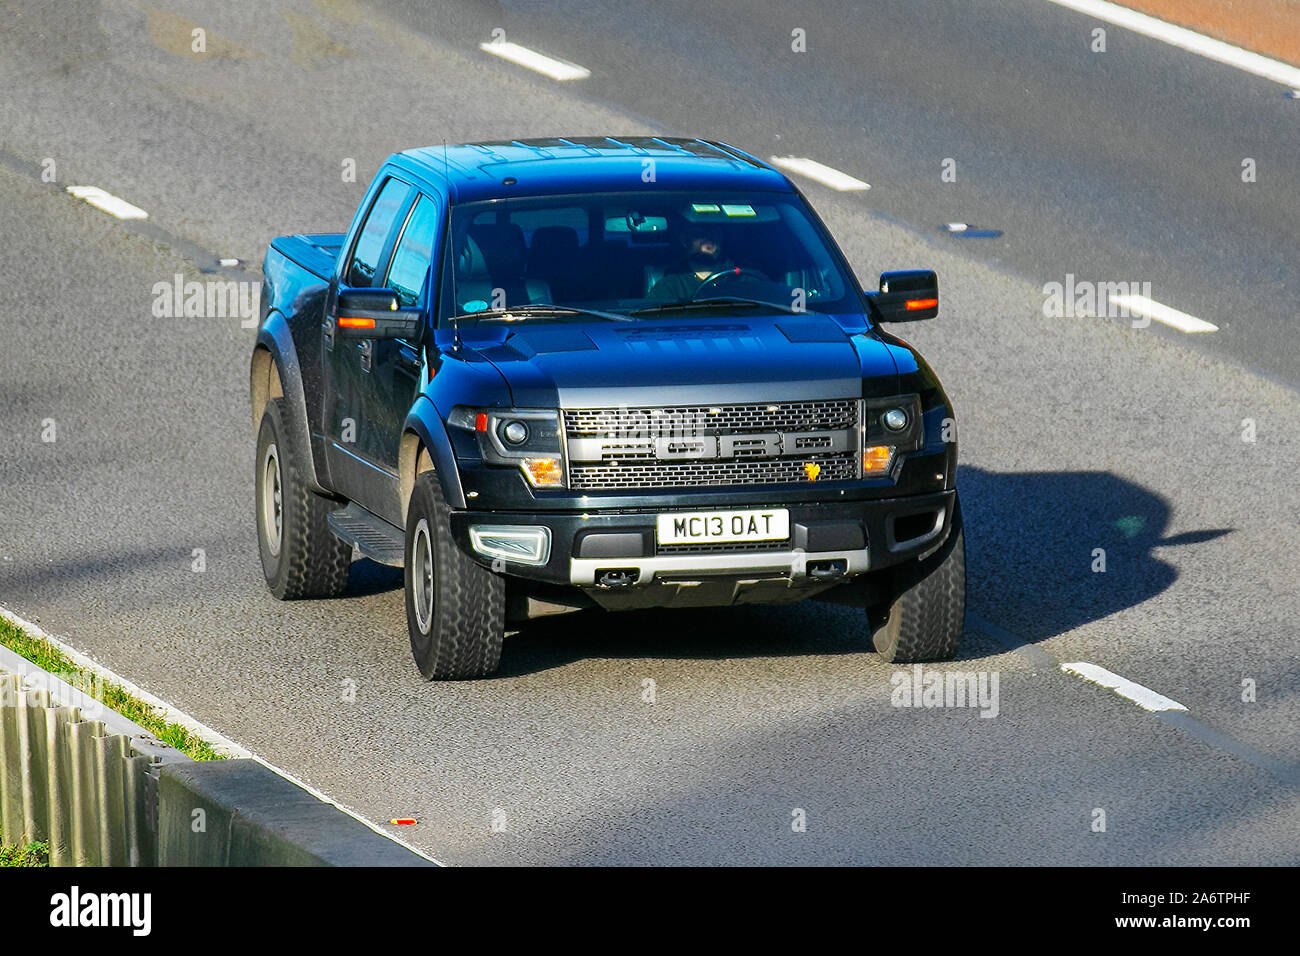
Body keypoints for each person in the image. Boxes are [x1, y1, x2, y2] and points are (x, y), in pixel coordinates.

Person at [648, 224, 736, 300]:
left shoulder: (737, 277)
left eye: (714, 234)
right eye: (700, 235)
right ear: (685, 241)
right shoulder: (670, 285)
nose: (709, 242)